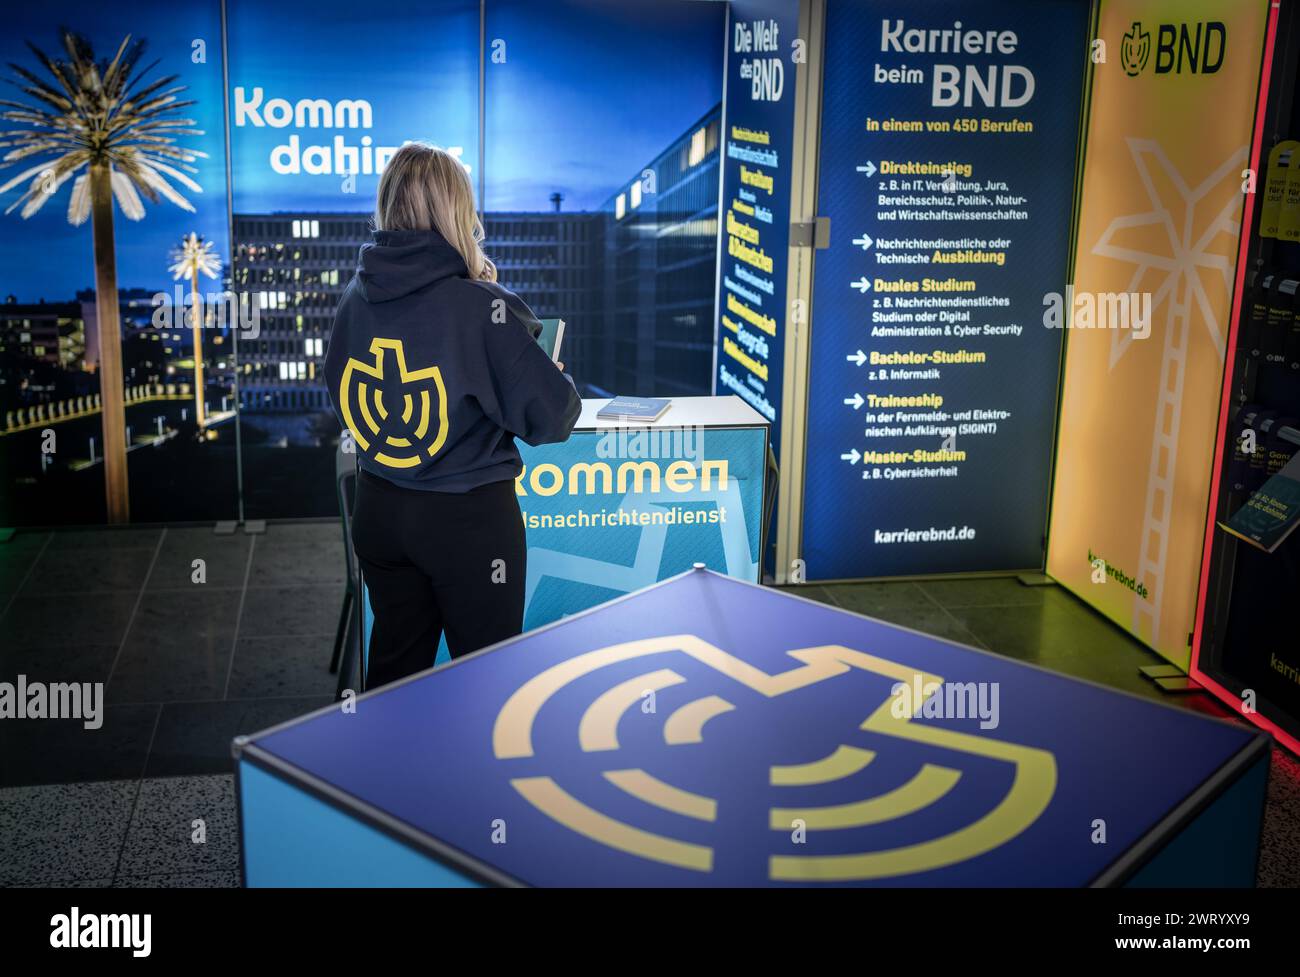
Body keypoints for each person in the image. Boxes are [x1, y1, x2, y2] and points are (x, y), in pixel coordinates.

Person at [325, 142, 580, 688]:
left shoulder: (356, 295)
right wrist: (552, 376)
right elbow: (552, 419)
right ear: (456, 210)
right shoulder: (482, 307)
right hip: (468, 525)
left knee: (394, 677)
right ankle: (472, 777)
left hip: (381, 509)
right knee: (488, 686)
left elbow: (342, 389)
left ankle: (384, 775)